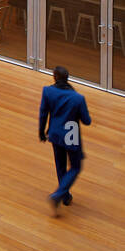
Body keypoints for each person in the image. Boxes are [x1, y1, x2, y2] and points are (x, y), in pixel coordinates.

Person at [38, 65, 91, 215]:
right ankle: (59, 194)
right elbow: (87, 121)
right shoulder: (78, 98)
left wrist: (41, 132)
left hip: (55, 133)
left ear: (55, 77)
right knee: (75, 167)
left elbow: (43, 113)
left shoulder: (47, 91)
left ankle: (65, 196)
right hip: (71, 134)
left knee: (60, 166)